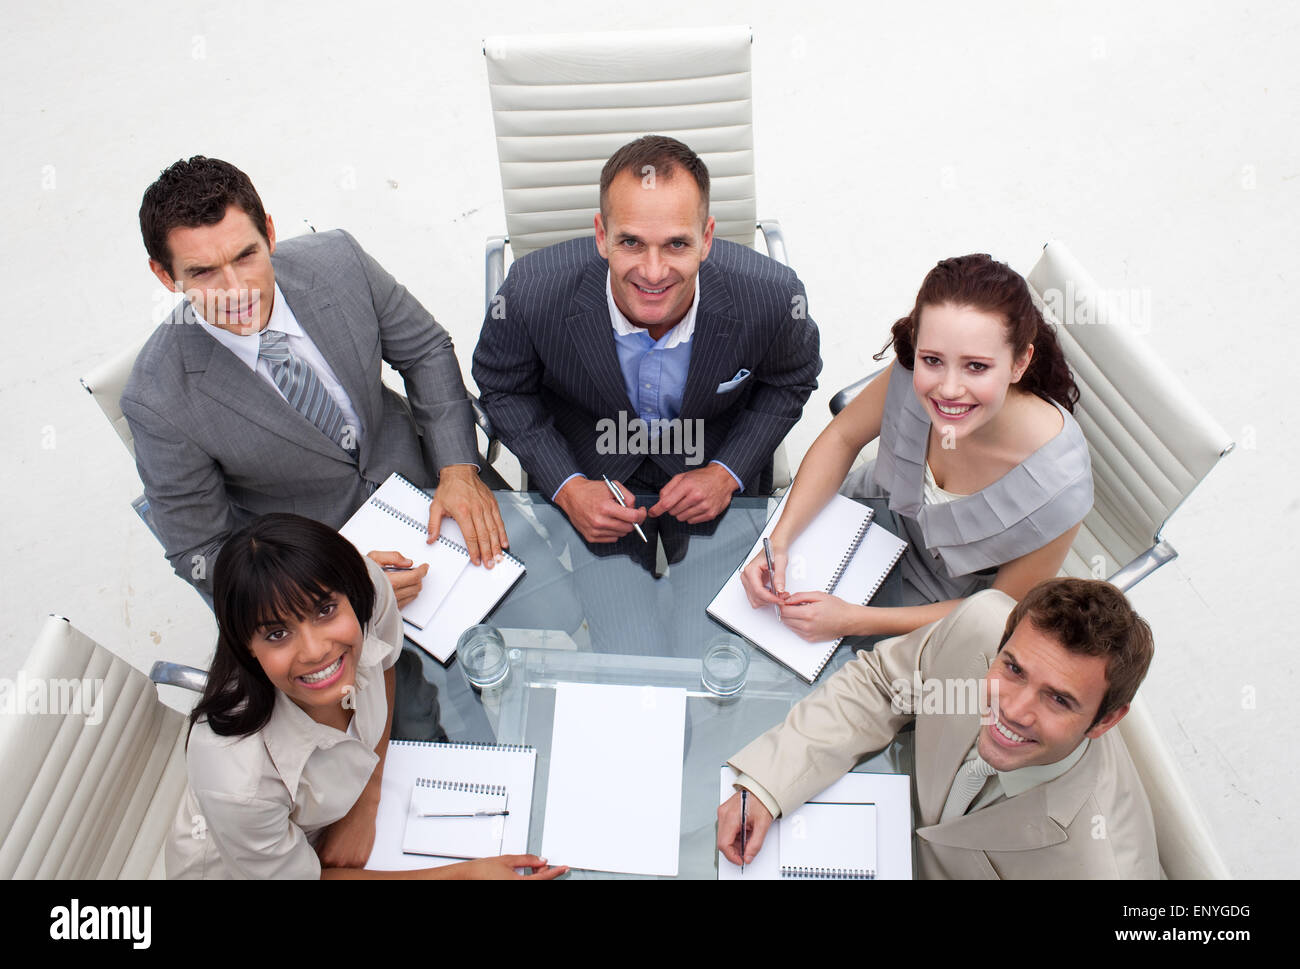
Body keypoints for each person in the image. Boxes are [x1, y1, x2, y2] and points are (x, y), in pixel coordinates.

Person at [123, 156, 507, 606]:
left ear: (268, 231)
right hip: (322, 577)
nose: (236, 290)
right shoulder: (156, 398)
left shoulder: (339, 261)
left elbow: (425, 351)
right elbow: (199, 553)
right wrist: (329, 580)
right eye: (204, 272)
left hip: (434, 481)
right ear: (165, 275)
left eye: (246, 256)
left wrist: (457, 469)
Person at [166, 513, 565, 880]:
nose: (315, 650)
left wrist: (368, 796)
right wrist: (463, 875)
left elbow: (385, 660)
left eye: (324, 610)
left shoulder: (369, 588)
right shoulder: (237, 781)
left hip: (352, 817)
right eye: (276, 633)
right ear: (246, 646)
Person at [472, 135, 821, 550]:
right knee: (616, 615)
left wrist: (727, 472)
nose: (653, 274)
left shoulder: (773, 295)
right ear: (602, 236)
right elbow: (503, 386)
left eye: (676, 243)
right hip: (589, 469)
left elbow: (790, 380)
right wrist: (568, 486)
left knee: (718, 613)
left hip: (713, 463)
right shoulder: (530, 291)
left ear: (706, 238)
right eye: (631, 242)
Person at [740, 253, 1092, 641]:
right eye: (933, 360)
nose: (949, 389)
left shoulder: (1063, 488)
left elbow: (1001, 609)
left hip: (935, 611)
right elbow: (843, 437)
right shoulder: (913, 369)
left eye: (976, 366)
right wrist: (780, 540)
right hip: (855, 521)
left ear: (1020, 362)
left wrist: (851, 620)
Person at [718, 579, 1159, 879]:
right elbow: (881, 684)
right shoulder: (980, 623)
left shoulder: (1099, 866)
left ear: (1106, 720)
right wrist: (768, 783)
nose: (1013, 710)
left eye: (1058, 699)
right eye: (1013, 669)